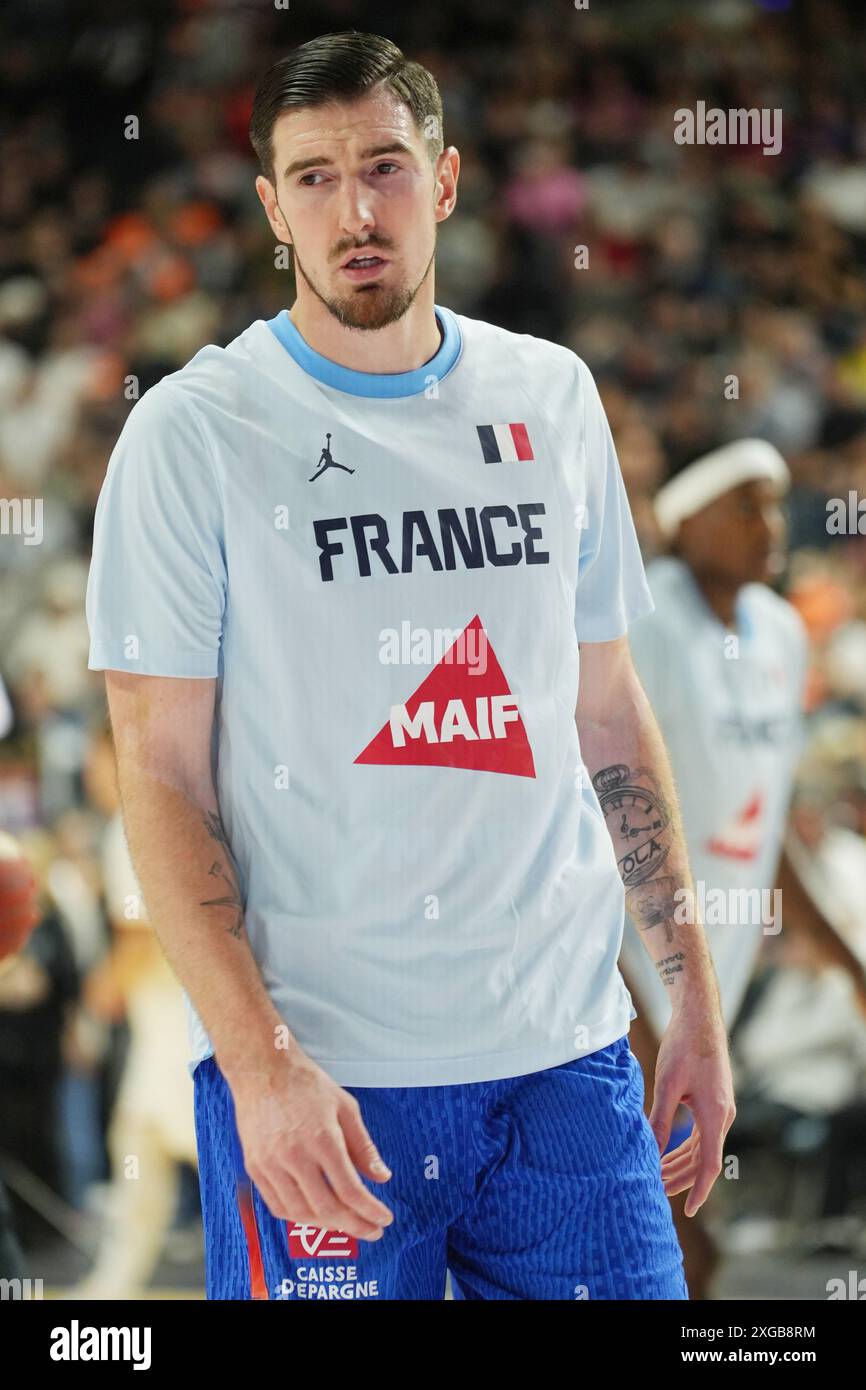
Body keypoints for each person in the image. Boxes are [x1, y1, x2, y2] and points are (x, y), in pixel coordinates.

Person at [85, 30, 734, 1301]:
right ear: (272, 207)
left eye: (383, 166)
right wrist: (259, 1066)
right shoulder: (193, 434)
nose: (354, 209)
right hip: (325, 1074)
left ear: (442, 182)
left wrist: (691, 1002)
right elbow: (158, 776)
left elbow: (605, 714)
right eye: (314, 178)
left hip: (566, 1062)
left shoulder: (550, 396)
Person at [619, 439, 866, 1296]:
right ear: (685, 522)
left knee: (682, 1243)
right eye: (745, 506)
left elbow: (765, 833)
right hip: (618, 980)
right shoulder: (643, 625)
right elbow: (588, 822)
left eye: (776, 503)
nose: (770, 525)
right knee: (664, 1246)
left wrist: (850, 966)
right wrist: (627, 1013)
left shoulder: (784, 633)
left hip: (709, 981)